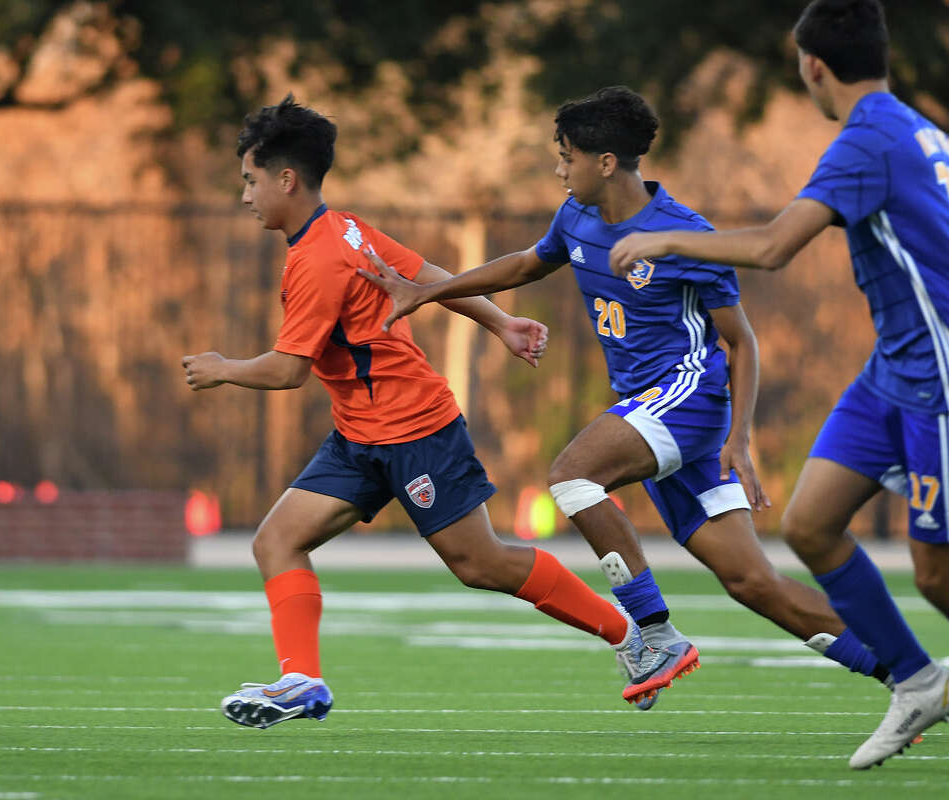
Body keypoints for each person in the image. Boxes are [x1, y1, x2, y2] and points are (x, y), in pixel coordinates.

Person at [360, 85, 891, 711]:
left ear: (605, 162)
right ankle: (906, 673)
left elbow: (741, 343)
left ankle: (655, 631)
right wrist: (426, 293)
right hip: (650, 410)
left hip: (689, 399)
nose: (559, 170)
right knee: (755, 583)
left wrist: (739, 439)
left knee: (573, 476)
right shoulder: (576, 217)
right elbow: (526, 266)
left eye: (567, 157)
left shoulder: (683, 234)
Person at [182, 93, 660, 730]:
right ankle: (301, 680)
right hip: (359, 434)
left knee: (480, 564)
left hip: (415, 431)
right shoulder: (341, 228)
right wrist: (500, 323)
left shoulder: (322, 256)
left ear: (286, 179)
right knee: (277, 541)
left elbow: (290, 370)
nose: (245, 196)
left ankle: (631, 638)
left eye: (250, 180)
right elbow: (425, 276)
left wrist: (224, 368)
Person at [608, 0, 949, 769]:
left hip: (938, 369)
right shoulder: (913, 126)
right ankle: (919, 681)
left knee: (935, 575)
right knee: (811, 524)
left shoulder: (869, 140)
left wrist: (665, 235)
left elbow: (770, 248)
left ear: (813, 66)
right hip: (890, 368)